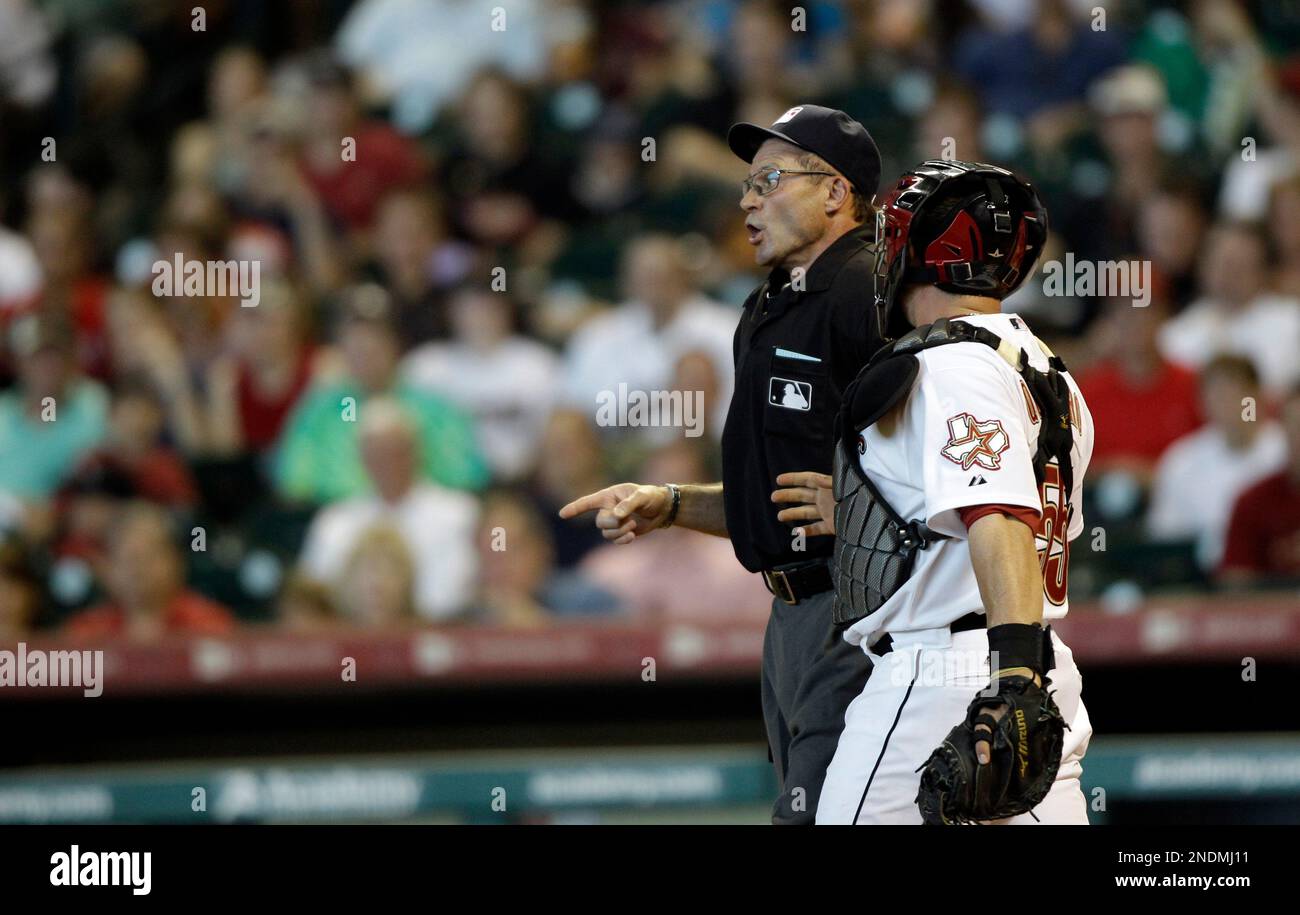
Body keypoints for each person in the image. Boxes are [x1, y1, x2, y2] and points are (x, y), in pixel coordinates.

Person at [561, 105, 884, 824]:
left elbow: (955, 453)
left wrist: (861, 507)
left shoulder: (869, 291)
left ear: (834, 192)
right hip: (788, 616)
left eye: (769, 180)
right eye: (745, 183)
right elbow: (774, 497)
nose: (747, 199)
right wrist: (672, 503)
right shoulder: (767, 303)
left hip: (859, 608)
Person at [788, 160, 1094, 824]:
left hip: (950, 675)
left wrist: (1010, 673)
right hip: (1034, 666)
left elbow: (999, 515)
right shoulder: (1047, 368)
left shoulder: (949, 363)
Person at [1219, 383, 1300, 583]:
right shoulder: (1253, 502)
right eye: (1296, 429)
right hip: (1275, 610)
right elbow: (1236, 583)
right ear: (1284, 431)